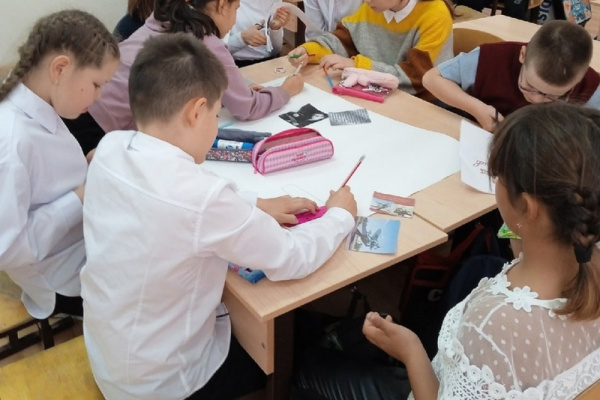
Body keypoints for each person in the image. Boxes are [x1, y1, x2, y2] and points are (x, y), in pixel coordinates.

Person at [81, 33, 357, 400]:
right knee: (295, 339)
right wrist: (339, 215)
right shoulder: (203, 199)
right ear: (196, 112)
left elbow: (183, 200)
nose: (215, 126)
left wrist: (255, 202)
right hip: (164, 385)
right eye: (215, 115)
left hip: (110, 356)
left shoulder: (110, 147)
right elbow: (291, 258)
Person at [295, 102, 600, 400]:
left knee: (305, 369)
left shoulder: (495, 324)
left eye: (498, 178)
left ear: (528, 208)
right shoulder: (584, 259)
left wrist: (411, 351)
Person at [65, 0, 304, 156]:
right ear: (222, 4)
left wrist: (243, 87)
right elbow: (246, 107)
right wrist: (285, 90)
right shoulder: (205, 40)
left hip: (78, 106)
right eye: (236, 9)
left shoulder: (161, 19)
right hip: (99, 131)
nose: (234, 19)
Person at [0, 10, 119, 319]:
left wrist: (86, 166)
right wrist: (79, 197)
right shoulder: (13, 139)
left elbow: (46, 181)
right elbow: (7, 249)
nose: (99, 95)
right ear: (60, 68)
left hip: (81, 244)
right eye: (96, 84)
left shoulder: (39, 99)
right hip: (62, 280)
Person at [423, 20, 600, 132]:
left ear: (579, 79)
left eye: (552, 96)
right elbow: (431, 79)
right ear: (522, 55)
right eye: (529, 86)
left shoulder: (592, 88)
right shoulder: (492, 58)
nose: (536, 100)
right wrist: (477, 109)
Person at [287, 0, 454, 100]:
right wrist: (309, 51)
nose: (365, 1)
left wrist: (356, 65)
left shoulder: (435, 14)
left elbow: (417, 78)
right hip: (384, 94)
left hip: (424, 102)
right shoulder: (375, 7)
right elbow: (342, 40)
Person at [227, 0, 291, 67]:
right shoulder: (227, 4)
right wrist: (242, 38)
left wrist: (275, 29)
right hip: (234, 64)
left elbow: (275, 50)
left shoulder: (273, 2)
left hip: (268, 62)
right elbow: (220, 50)